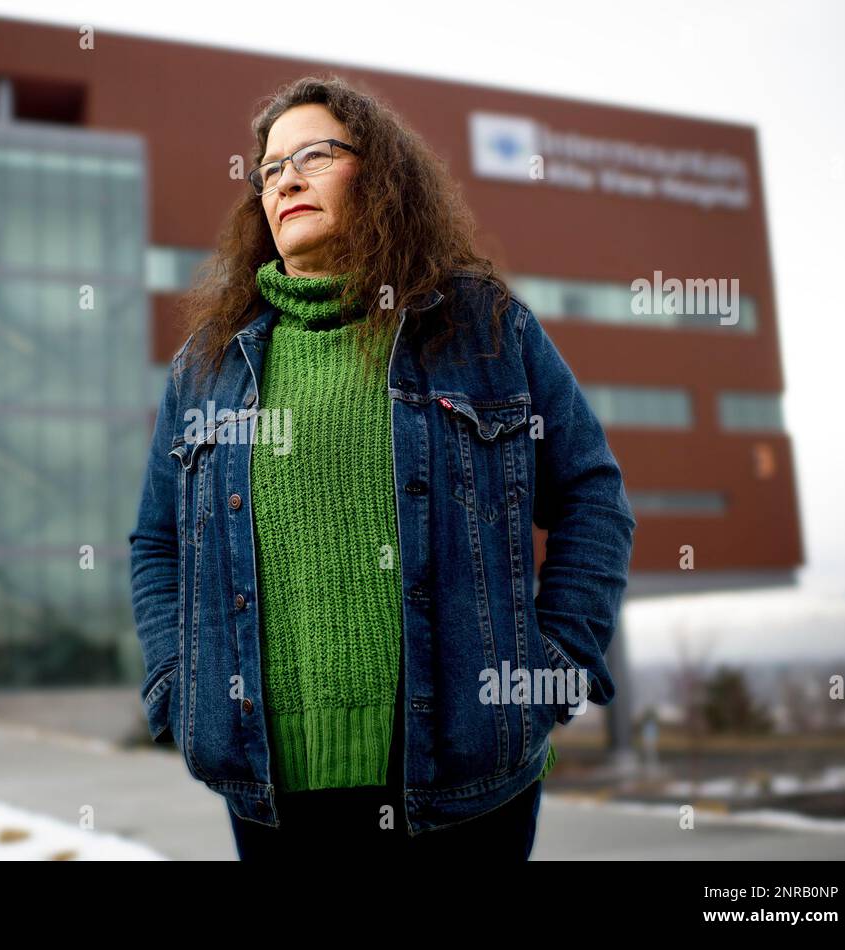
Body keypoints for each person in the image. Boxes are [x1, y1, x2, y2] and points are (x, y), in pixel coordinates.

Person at [129, 75, 635, 860]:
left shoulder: (480, 326)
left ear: (381, 174)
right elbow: (157, 543)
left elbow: (591, 493)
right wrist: (176, 685)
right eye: (269, 169)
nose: (285, 179)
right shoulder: (208, 365)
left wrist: (554, 668)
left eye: (315, 155)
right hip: (270, 790)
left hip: (464, 774)